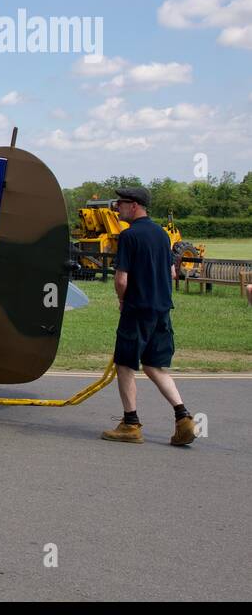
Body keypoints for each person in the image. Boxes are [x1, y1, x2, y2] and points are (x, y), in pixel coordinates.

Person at [100, 187, 195, 446]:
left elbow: (121, 279)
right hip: (162, 310)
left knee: (125, 364)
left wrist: (122, 300)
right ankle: (183, 417)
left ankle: (130, 424)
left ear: (134, 206)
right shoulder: (162, 235)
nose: (116, 207)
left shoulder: (129, 236)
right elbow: (172, 274)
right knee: (154, 365)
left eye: (120, 203)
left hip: (137, 310)